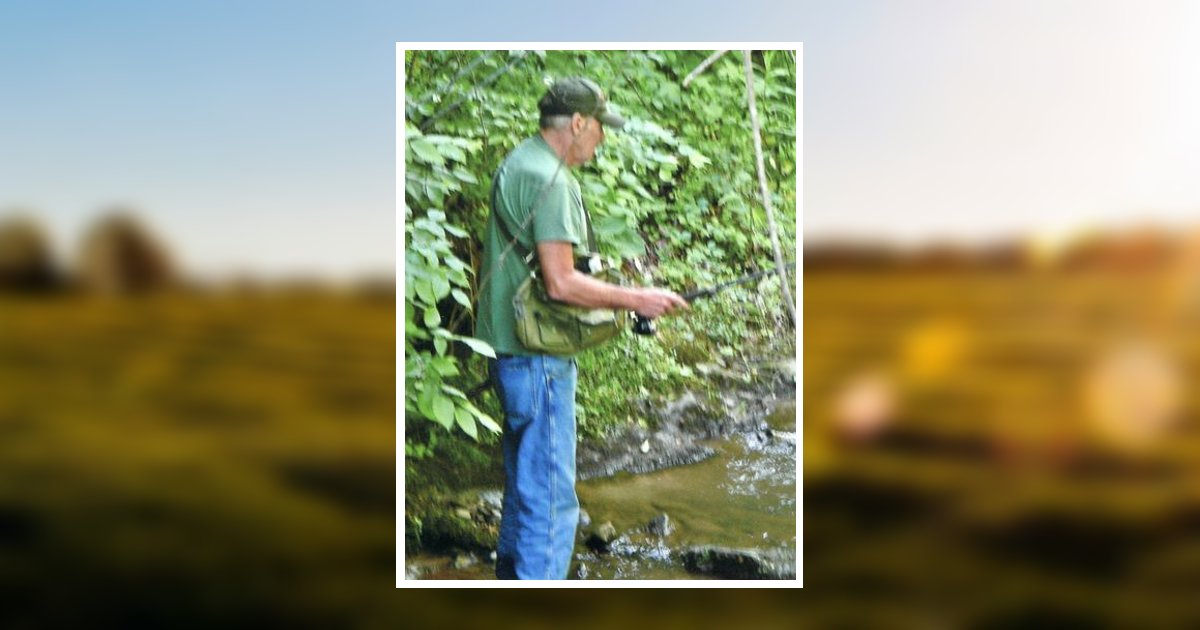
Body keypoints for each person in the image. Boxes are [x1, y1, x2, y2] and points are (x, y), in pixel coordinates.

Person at [476, 77, 688, 579]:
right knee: (550, 500)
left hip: (508, 351)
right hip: (538, 360)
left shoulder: (519, 161)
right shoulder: (553, 181)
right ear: (576, 123)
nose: (602, 139)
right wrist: (639, 298)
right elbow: (561, 282)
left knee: (524, 485)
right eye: (599, 128)